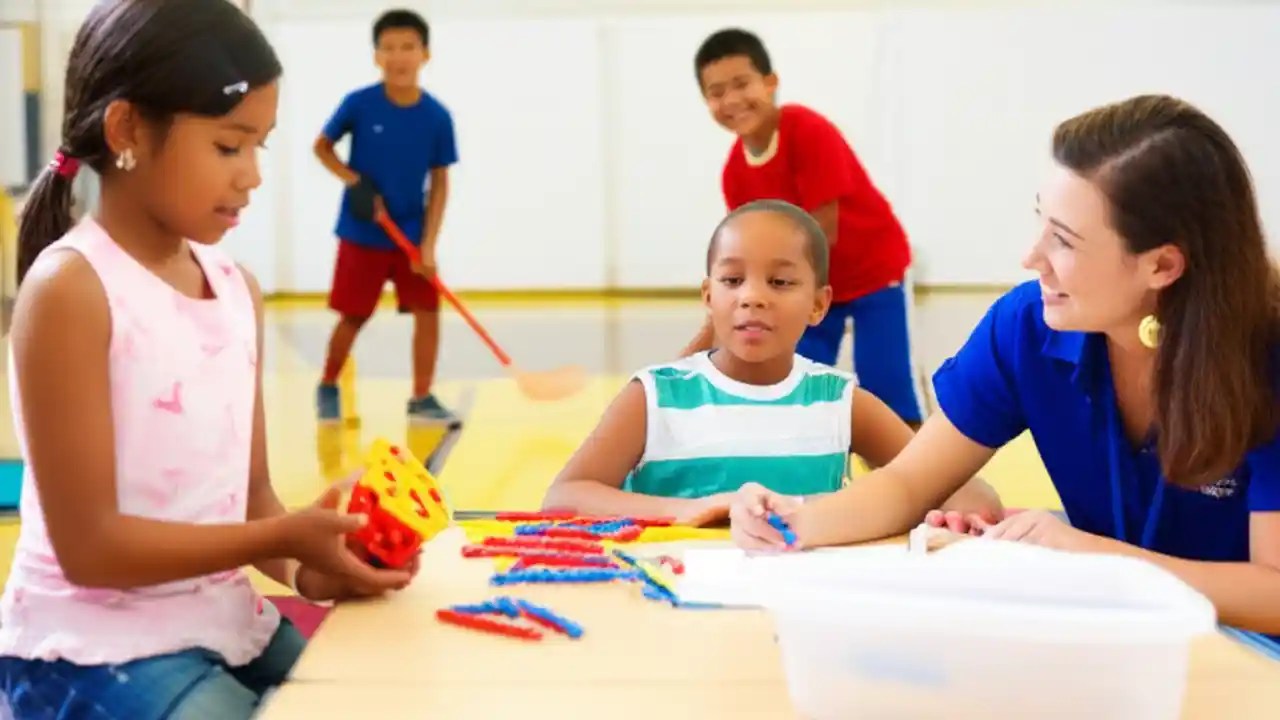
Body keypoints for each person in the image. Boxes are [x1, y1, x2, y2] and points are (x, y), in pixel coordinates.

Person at [729, 94, 1280, 636]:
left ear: (1161, 265)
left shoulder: (1266, 354)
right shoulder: (1027, 326)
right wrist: (795, 521)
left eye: (1063, 241)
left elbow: (1274, 593)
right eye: (1042, 222)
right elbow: (906, 484)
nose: (1031, 257)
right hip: (1118, 638)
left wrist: (1095, 560)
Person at [0, 1, 417, 716]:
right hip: (88, 650)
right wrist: (282, 534)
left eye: (260, 147)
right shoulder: (71, 289)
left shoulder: (234, 289)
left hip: (225, 625)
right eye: (229, 147)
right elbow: (89, 549)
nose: (252, 175)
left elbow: (251, 501)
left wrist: (312, 569)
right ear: (128, 131)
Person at [543, 199, 1001, 524]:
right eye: (732, 280)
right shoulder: (654, 397)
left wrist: (952, 512)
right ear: (708, 296)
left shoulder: (842, 401)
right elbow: (565, 496)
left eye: (780, 282)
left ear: (819, 305)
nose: (752, 297)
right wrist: (685, 510)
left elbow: (964, 493)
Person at [680, 28, 925, 428]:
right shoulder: (734, 174)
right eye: (717, 92)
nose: (732, 100)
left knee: (887, 384)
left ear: (770, 82)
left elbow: (821, 233)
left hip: (874, 274)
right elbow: (748, 256)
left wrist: (778, 295)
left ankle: (916, 460)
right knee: (794, 384)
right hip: (809, 286)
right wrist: (713, 331)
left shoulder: (807, 130)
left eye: (741, 84)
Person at [314, 8, 459, 426]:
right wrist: (353, 181)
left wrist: (428, 245)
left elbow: (440, 184)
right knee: (354, 315)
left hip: (409, 235)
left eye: (408, 47)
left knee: (428, 313)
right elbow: (322, 146)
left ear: (425, 54)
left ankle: (422, 397)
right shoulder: (359, 104)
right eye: (389, 48)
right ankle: (327, 385)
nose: (398, 57)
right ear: (376, 56)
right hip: (363, 232)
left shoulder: (436, 117)